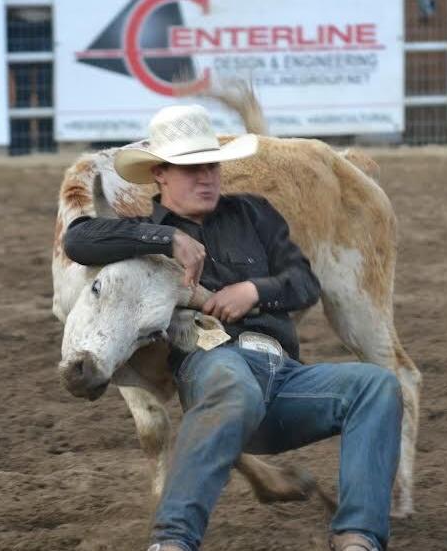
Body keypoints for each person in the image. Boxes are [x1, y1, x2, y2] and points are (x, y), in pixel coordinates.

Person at [62, 104, 403, 551]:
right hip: (211, 365)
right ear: (160, 175)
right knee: (232, 385)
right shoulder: (142, 235)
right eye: (191, 167)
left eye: (211, 165)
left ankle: (357, 538)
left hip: (283, 378)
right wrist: (169, 239)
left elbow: (303, 282)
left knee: (377, 386)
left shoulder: (256, 214)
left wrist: (253, 292)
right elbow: (78, 238)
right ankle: (173, 541)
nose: (206, 176)